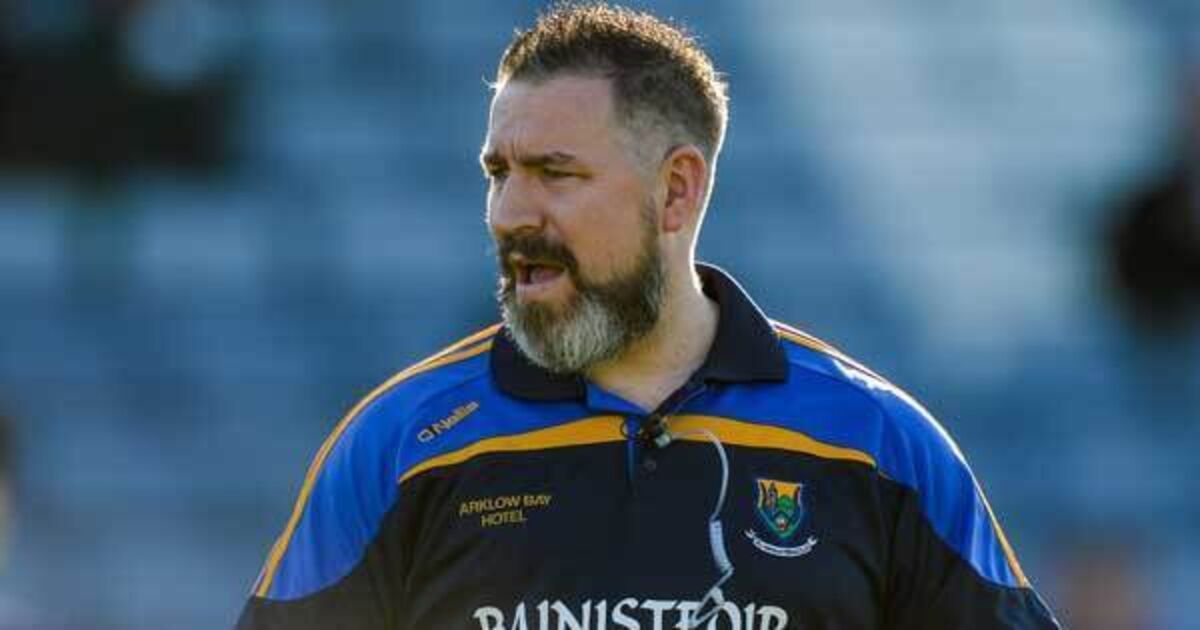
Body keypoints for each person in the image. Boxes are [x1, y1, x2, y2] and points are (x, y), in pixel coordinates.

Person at [236, 4, 1060, 629]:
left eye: (555, 173)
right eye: (498, 173)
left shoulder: (877, 445)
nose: (510, 212)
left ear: (676, 190)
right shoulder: (401, 447)